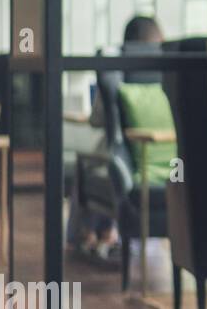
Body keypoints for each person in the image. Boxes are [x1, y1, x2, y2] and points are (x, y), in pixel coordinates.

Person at [69, 15, 165, 261]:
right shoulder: (166, 74)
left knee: (92, 162)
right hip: (162, 158)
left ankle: (90, 232)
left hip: (119, 157)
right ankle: (108, 232)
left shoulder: (115, 73)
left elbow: (97, 121)